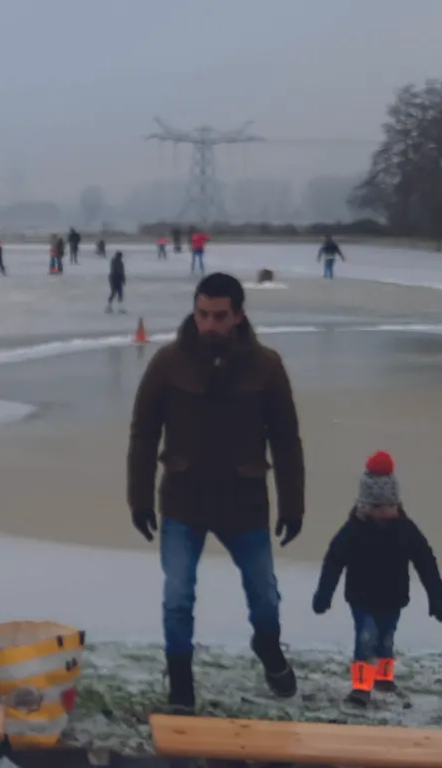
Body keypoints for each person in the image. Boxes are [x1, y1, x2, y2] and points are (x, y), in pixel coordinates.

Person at [127, 272, 305, 712]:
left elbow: (286, 440)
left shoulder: (266, 366)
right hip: (183, 499)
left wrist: (293, 504)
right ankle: (181, 685)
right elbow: (144, 433)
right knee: (178, 596)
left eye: (219, 316)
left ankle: (267, 646)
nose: (209, 324)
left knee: (264, 597)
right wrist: (139, 498)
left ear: (238, 315)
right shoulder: (168, 363)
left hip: (244, 501)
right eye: (203, 314)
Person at [312, 451, 442, 709]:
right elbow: (334, 561)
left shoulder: (406, 530)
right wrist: (323, 595)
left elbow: (426, 562)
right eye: (379, 506)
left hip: (393, 598)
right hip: (361, 598)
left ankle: (384, 679)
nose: (385, 511)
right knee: (366, 637)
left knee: (386, 638)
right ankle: (361, 687)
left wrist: (437, 597)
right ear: (366, 506)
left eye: (389, 505)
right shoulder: (353, 531)